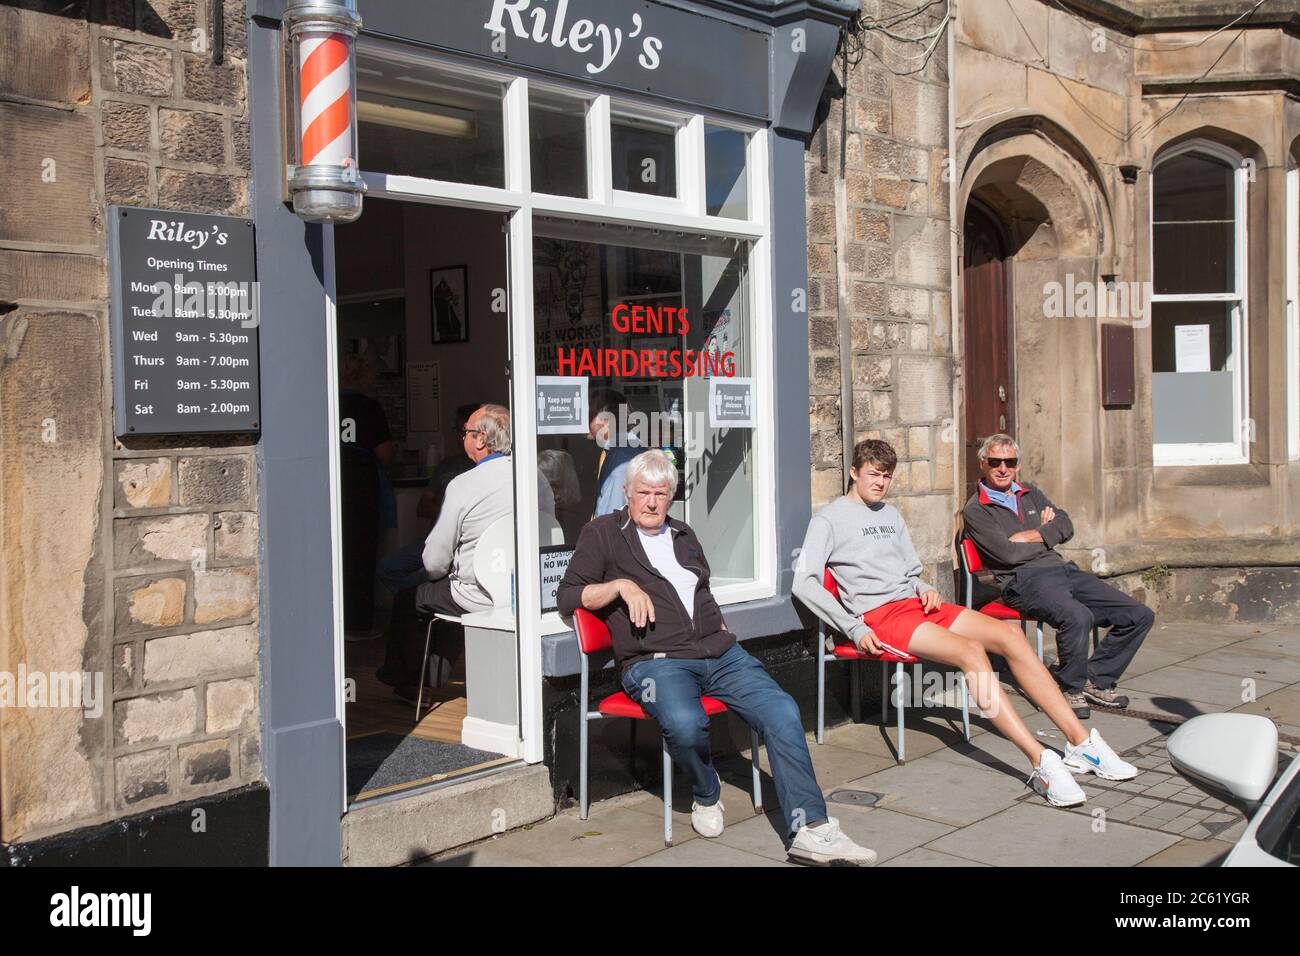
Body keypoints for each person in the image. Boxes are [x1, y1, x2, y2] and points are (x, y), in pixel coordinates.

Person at [556, 450, 876, 865]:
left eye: (660, 493)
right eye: (642, 493)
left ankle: (811, 828)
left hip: (718, 652)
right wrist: (620, 586)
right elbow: (567, 596)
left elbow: (701, 589)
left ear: (671, 495)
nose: (651, 502)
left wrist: (721, 628)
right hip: (655, 662)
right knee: (687, 725)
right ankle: (707, 792)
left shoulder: (684, 534)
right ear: (626, 493)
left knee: (782, 710)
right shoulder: (602, 533)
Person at [793, 439, 1138, 810]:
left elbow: (911, 572)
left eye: (887, 476)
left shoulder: (890, 515)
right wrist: (854, 627)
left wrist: (925, 587)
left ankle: (1080, 743)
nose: (880, 483)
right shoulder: (829, 519)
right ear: (854, 473)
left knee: (1009, 636)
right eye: (873, 475)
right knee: (971, 653)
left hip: (917, 605)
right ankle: (1040, 762)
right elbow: (804, 582)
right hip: (881, 617)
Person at [961, 434, 1155, 719]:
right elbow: (1008, 555)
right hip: (1022, 580)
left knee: (1139, 615)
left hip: (1063, 570)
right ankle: (1069, 688)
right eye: (995, 461)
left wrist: (1032, 535)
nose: (1003, 468)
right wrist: (1046, 534)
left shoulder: (1030, 492)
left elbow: (1066, 525)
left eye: (1010, 462)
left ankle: (1095, 678)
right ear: (982, 464)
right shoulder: (976, 510)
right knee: (1077, 616)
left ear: (1018, 465)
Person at [378, 404, 516, 700]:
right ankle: (429, 681)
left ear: (480, 439)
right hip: (518, 591)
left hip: (477, 591)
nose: (461, 437)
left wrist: (434, 575)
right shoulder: (532, 477)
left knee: (411, 598)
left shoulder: (464, 484)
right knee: (440, 597)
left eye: (465, 432)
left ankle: (408, 683)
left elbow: (435, 560)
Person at [376, 403, 480, 596]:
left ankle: (418, 594)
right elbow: (423, 506)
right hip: (434, 540)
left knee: (433, 574)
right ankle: (416, 595)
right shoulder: (447, 465)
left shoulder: (487, 470)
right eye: (458, 430)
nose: (461, 437)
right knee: (387, 567)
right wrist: (448, 512)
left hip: (467, 544)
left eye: (465, 431)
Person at [338, 351, 394, 639]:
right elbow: (384, 453)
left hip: (334, 486)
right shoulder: (369, 407)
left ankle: (337, 621)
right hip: (362, 489)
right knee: (362, 555)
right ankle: (359, 624)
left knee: (337, 555)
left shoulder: (328, 402)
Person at [587, 387, 642, 517]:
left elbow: (611, 521)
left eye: (590, 414)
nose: (584, 421)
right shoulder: (622, 450)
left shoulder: (621, 459)